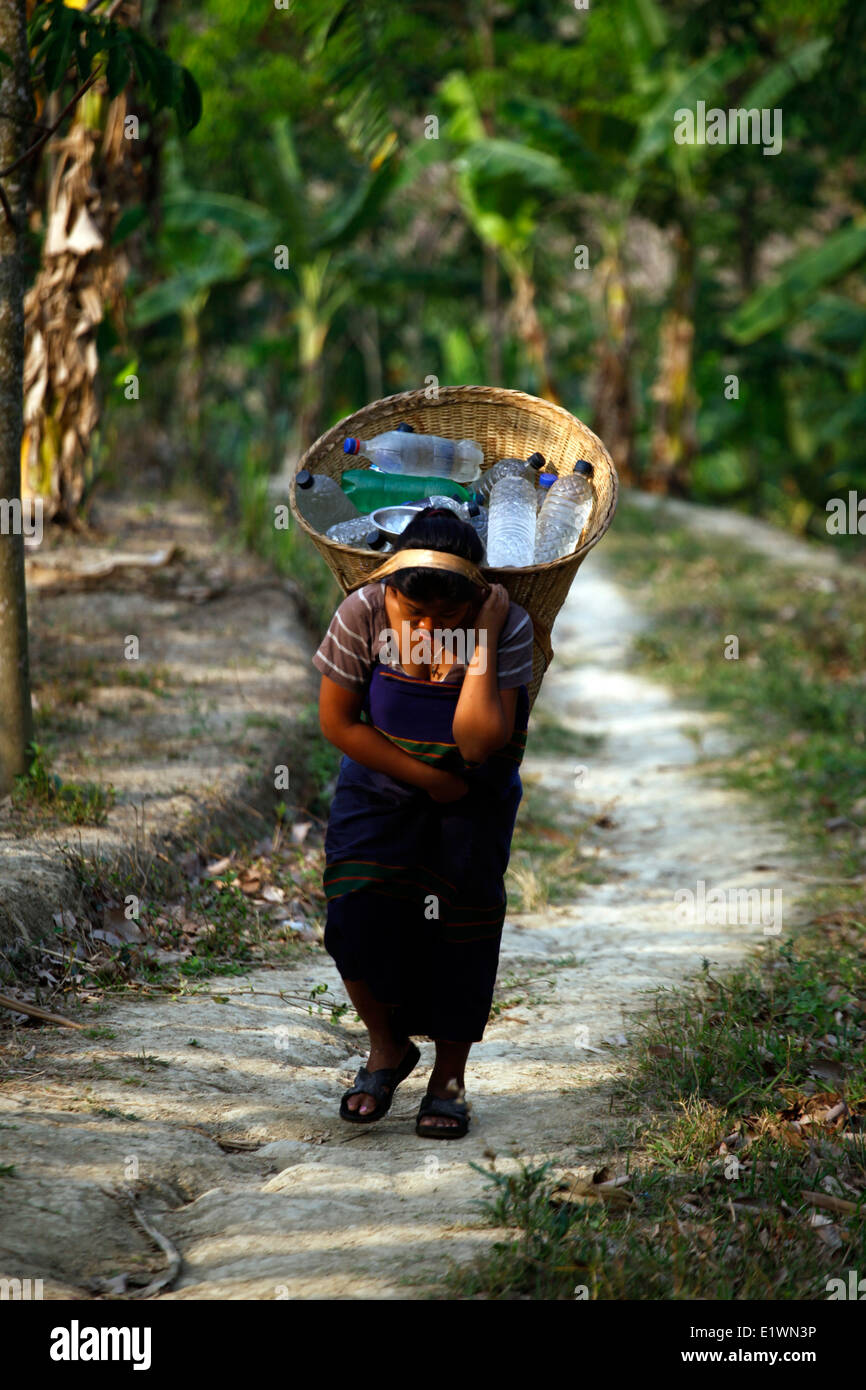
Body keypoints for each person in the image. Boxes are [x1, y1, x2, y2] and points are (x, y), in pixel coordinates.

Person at [312, 507, 533, 1138]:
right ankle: (387, 1047)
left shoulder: (504, 626)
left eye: (450, 617)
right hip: (378, 786)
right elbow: (338, 723)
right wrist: (424, 777)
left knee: (461, 928)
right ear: (390, 588)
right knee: (353, 911)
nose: (432, 627)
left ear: (476, 601)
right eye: (417, 615)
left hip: (473, 794)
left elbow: (476, 745)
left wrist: (483, 640)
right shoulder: (365, 613)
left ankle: (449, 1078)